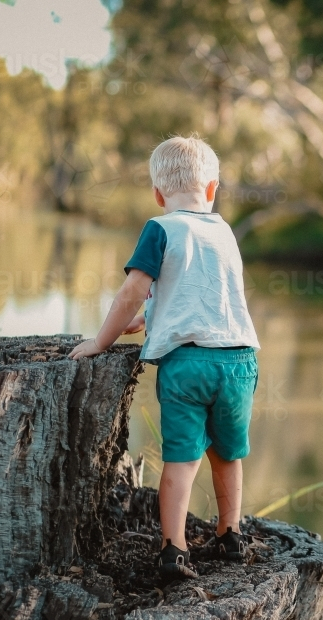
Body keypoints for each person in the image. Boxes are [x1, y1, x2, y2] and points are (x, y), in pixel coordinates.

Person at [68, 134, 260, 579]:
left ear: (158, 195)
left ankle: (173, 550)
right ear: (212, 189)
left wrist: (102, 340)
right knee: (229, 454)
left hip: (187, 365)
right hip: (238, 360)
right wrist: (154, 319)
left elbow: (134, 288)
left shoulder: (161, 228)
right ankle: (230, 535)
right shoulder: (225, 231)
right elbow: (204, 296)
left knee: (181, 459)